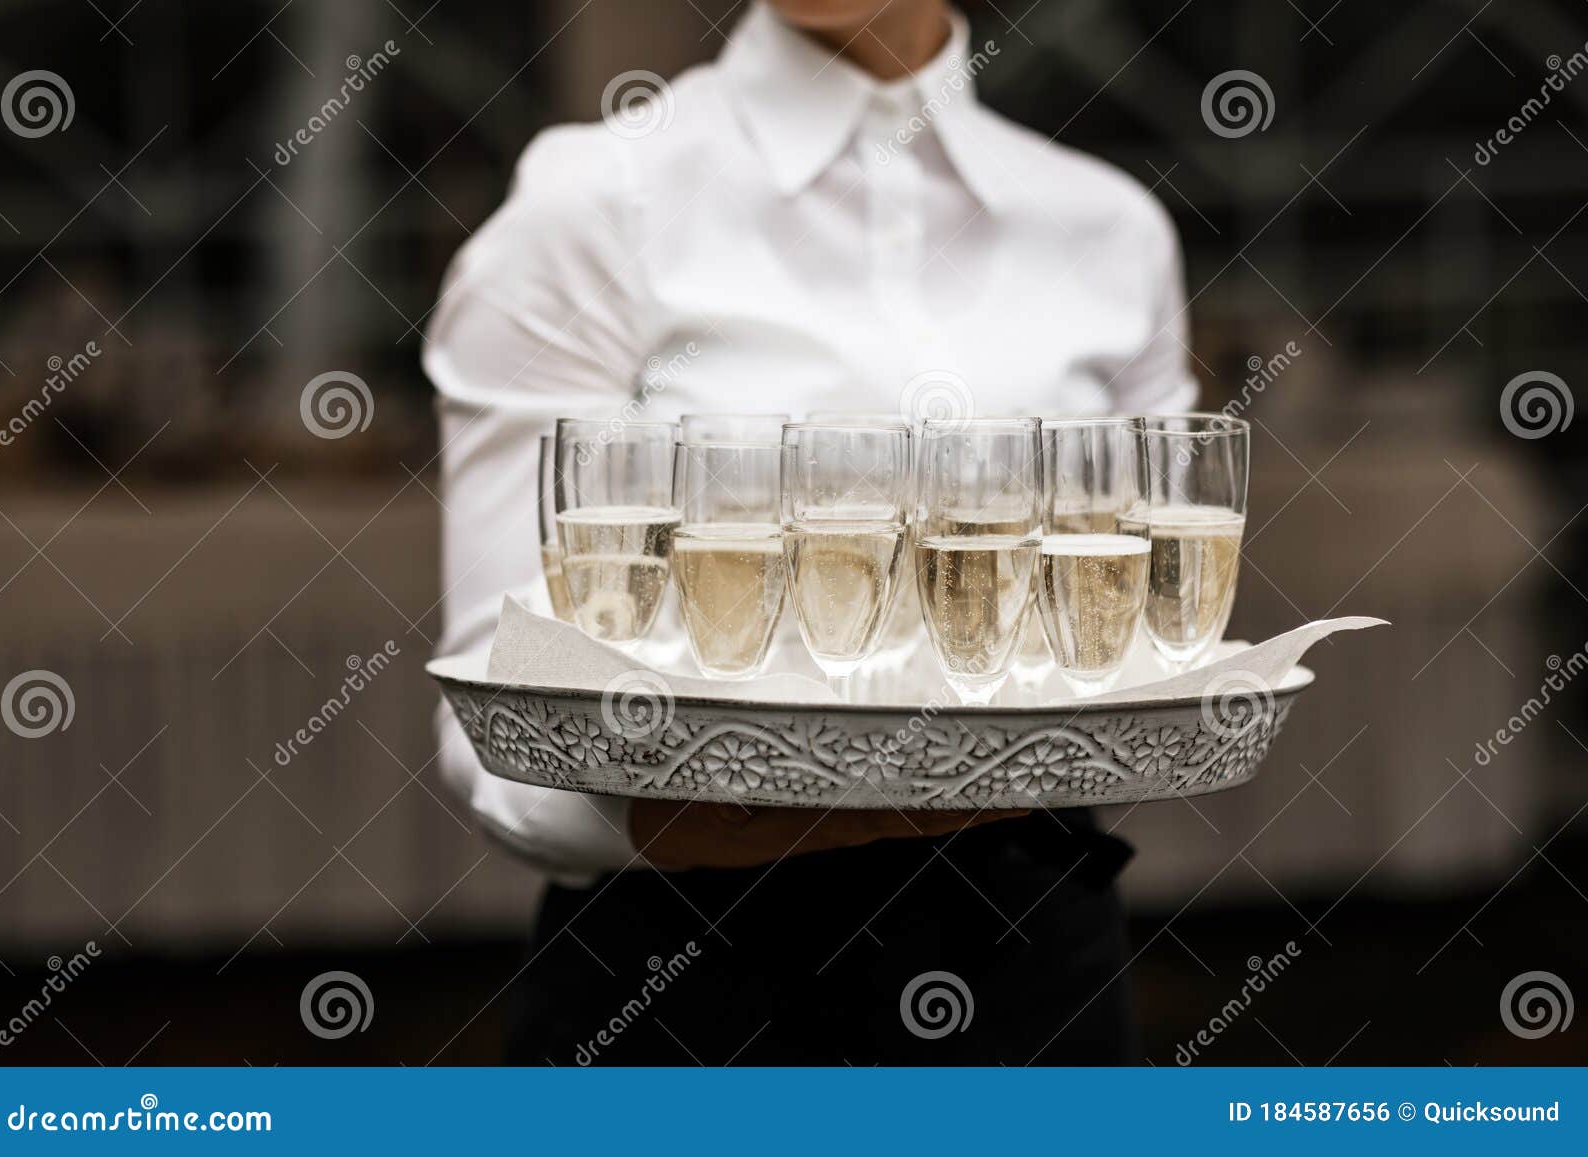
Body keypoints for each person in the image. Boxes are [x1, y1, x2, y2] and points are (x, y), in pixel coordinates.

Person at [423, 0, 1195, 1064]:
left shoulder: (1110, 231)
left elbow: (1148, 642)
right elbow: (498, 717)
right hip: (685, 989)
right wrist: (812, 810)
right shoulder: (596, 203)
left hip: (1035, 972)